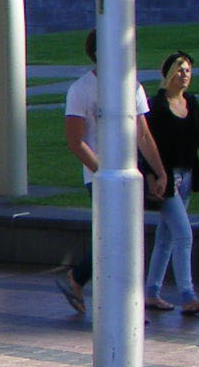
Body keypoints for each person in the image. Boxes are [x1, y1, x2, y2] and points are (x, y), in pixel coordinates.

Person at [57, 29, 168, 317]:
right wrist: (103, 173)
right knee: (115, 239)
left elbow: (143, 134)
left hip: (130, 176)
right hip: (100, 178)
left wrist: (159, 171)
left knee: (122, 239)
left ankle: (80, 279)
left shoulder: (133, 88)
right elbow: (74, 141)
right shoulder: (81, 90)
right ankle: (115, 303)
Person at [144, 51, 199, 316]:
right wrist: (152, 176)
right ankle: (187, 295)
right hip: (165, 179)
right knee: (183, 234)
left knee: (166, 238)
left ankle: (151, 292)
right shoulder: (155, 106)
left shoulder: (191, 103)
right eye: (180, 70)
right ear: (168, 74)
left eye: (188, 71)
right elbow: (144, 144)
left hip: (186, 178)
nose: (184, 76)